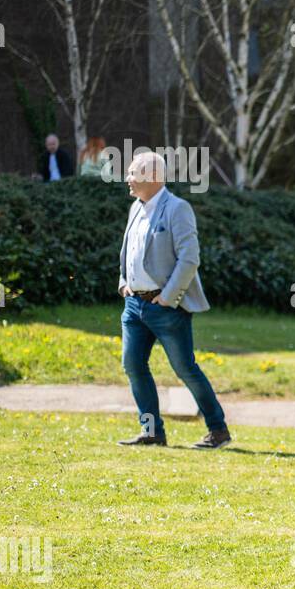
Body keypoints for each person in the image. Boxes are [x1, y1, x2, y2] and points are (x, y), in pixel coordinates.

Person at [116, 151, 230, 449]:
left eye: (132, 173)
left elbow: (189, 259)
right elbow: (129, 251)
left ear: (153, 177)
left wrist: (168, 297)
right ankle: (152, 432)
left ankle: (218, 431)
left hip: (166, 308)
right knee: (132, 365)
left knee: (185, 369)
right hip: (134, 306)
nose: (127, 178)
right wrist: (124, 283)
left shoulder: (178, 209)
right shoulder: (135, 208)